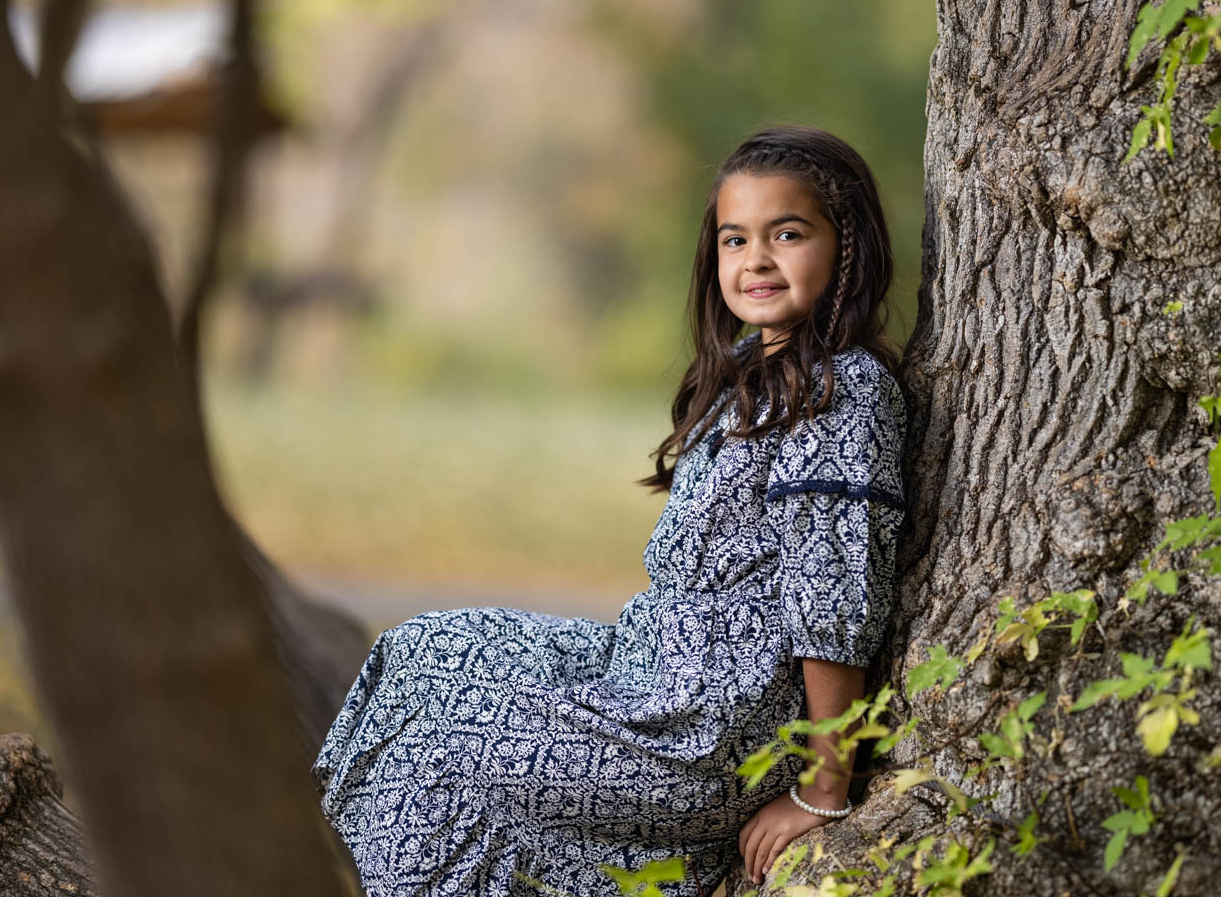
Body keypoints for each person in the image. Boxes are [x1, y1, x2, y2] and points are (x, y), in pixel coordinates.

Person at [311, 124, 907, 896]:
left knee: (444, 731)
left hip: (710, 728)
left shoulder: (841, 393)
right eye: (735, 239)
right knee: (424, 652)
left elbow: (835, 602)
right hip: (650, 666)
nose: (756, 259)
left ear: (848, 244)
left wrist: (825, 787)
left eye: (787, 233)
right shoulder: (744, 370)